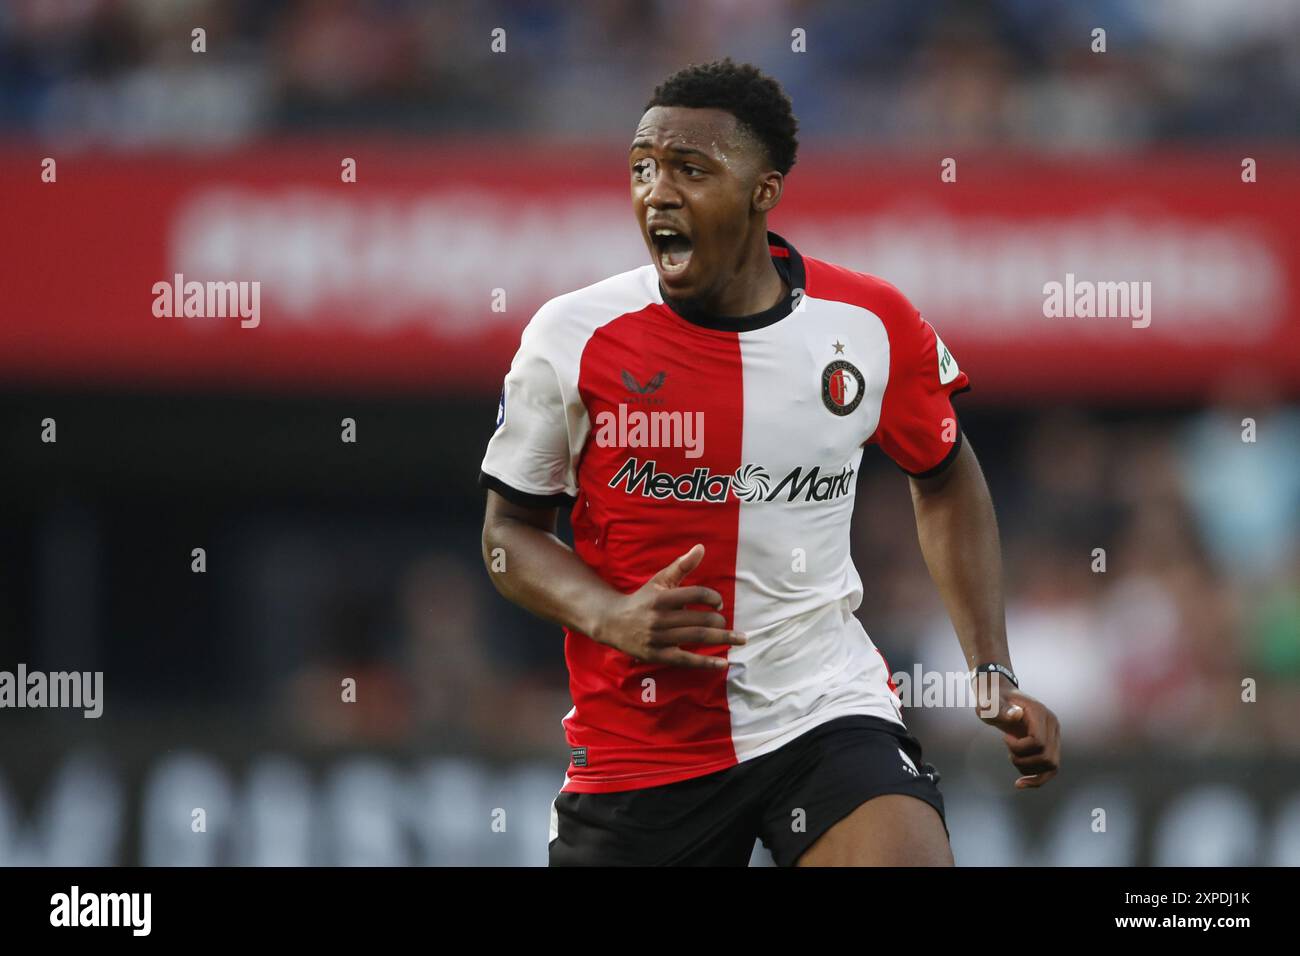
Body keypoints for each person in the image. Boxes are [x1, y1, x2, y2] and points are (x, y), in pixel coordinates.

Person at [478, 59, 1060, 866]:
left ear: (764, 190)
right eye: (642, 168)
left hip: (823, 708)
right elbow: (508, 535)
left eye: (691, 169)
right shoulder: (571, 338)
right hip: (640, 745)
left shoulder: (867, 323)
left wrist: (989, 664)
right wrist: (608, 615)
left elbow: (946, 473)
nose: (658, 192)